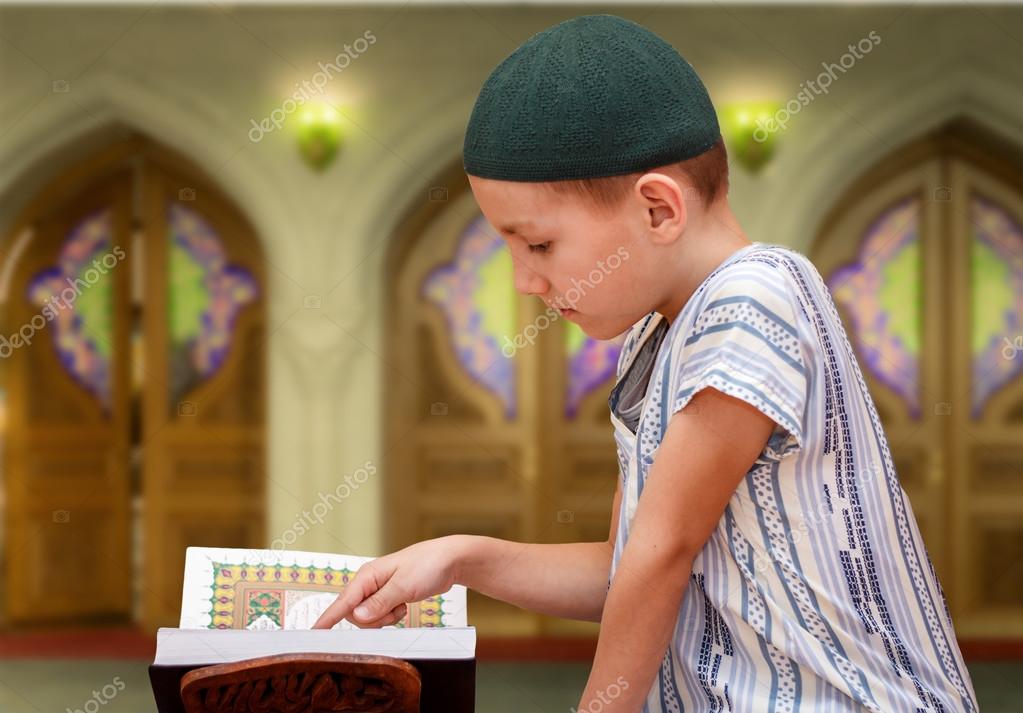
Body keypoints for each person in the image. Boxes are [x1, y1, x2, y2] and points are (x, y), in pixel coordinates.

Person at [314, 14, 979, 712]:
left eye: (537, 245)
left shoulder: (752, 298)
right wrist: (460, 557)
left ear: (659, 209)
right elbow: (625, 566)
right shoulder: (655, 333)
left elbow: (660, 556)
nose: (524, 282)